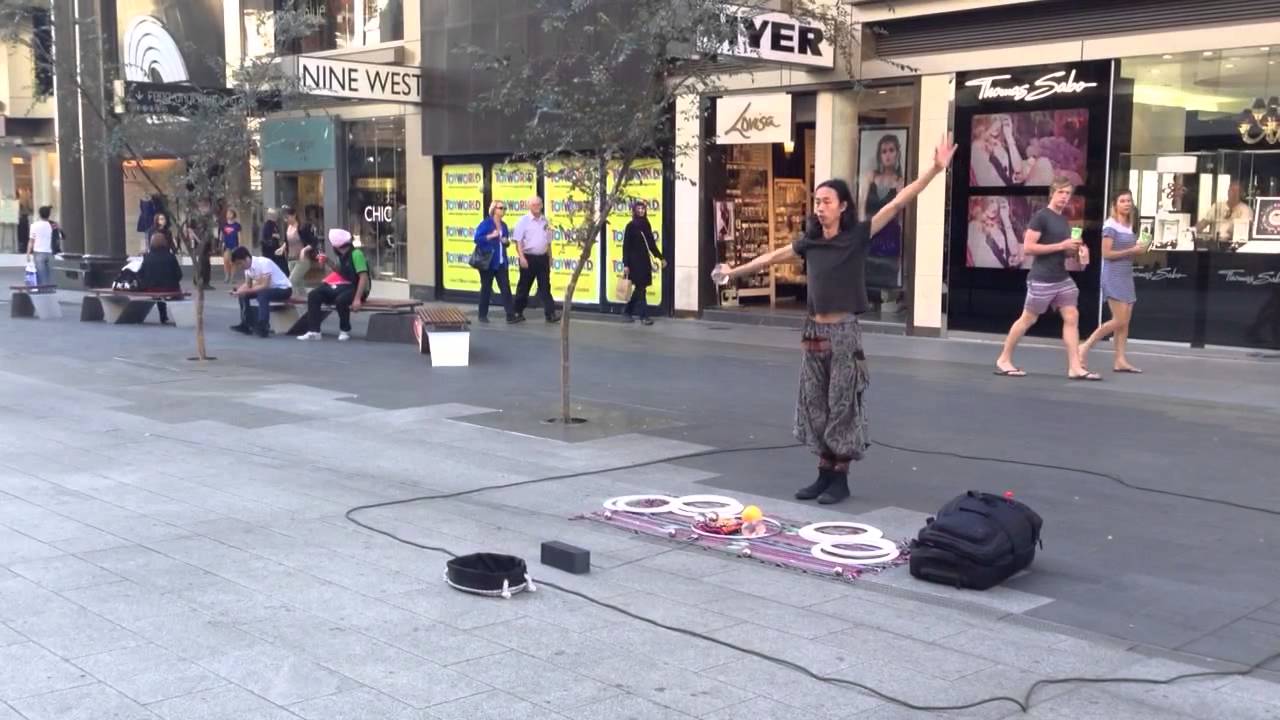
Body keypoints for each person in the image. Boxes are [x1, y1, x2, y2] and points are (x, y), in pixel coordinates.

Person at [714, 134, 956, 505]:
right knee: (816, 402)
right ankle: (823, 473)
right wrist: (734, 270)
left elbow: (898, 203)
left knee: (842, 402)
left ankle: (840, 477)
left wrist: (935, 170)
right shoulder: (810, 242)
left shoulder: (857, 236)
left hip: (843, 332)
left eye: (826, 201)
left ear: (843, 206)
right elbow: (772, 257)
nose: (819, 207)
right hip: (814, 331)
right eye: (817, 202)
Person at [994, 178, 1099, 380]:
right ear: (1052, 193)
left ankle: (1075, 366)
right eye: (1061, 192)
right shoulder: (1041, 217)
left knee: (1072, 317)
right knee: (1028, 319)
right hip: (1042, 278)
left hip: (1062, 278)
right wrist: (1061, 246)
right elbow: (1028, 248)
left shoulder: (1063, 221)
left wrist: (1079, 253)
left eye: (1068, 193)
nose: (1064, 197)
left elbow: (1066, 252)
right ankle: (1004, 359)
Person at [1080, 190, 1144, 373]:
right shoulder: (1110, 225)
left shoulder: (1130, 224)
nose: (1126, 204)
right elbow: (1106, 254)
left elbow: (1129, 250)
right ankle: (1084, 347)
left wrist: (1139, 249)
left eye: (1129, 201)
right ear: (1115, 204)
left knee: (1125, 322)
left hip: (1126, 275)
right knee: (1119, 319)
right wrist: (1132, 250)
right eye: (1122, 201)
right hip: (1112, 275)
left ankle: (1120, 360)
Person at [297, 228, 369, 342]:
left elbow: (363, 277)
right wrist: (328, 261)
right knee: (314, 295)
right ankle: (314, 331)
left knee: (341, 300)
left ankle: (344, 330)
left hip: (358, 288)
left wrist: (357, 299)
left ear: (336, 246)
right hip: (344, 285)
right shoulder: (342, 255)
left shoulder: (356, 254)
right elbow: (341, 271)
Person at [511, 196, 558, 323]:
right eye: (533, 205)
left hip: (542, 258)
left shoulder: (545, 221)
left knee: (545, 287)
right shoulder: (523, 221)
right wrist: (521, 257)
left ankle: (550, 314)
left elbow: (548, 242)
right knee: (524, 287)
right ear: (529, 206)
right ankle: (517, 312)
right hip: (528, 257)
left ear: (542, 205)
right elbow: (518, 241)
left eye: (538, 204)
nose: (536, 206)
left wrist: (550, 257)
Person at [229, 246, 293, 338]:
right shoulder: (247, 269)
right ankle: (246, 324)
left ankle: (263, 326)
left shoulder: (264, 263)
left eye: (240, 263)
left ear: (247, 259)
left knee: (262, 294)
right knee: (244, 295)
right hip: (269, 289)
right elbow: (248, 285)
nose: (240, 267)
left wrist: (246, 290)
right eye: (237, 264)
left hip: (283, 289)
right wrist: (238, 291)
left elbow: (264, 285)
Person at [859, 134, 905, 259]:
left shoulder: (900, 182)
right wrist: (862, 234)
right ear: (879, 155)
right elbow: (862, 206)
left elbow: (900, 217)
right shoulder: (870, 177)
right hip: (870, 235)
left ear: (897, 153)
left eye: (891, 150)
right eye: (884, 151)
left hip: (890, 238)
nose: (888, 155)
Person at [621, 200, 665, 325]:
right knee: (641, 289)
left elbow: (651, 243)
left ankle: (627, 311)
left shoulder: (646, 224)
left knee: (640, 288)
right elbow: (626, 247)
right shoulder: (630, 226)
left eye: (643, 209)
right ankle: (644, 316)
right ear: (634, 210)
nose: (641, 211)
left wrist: (660, 257)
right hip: (634, 263)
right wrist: (626, 264)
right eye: (638, 209)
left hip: (644, 261)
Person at [473, 200, 516, 324]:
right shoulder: (486, 224)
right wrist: (491, 236)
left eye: (504, 208)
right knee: (486, 288)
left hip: (501, 262)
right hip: (489, 262)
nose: (503, 210)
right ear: (494, 210)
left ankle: (510, 315)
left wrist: (506, 242)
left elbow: (506, 242)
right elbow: (477, 239)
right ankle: (482, 314)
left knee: (505, 288)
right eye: (501, 208)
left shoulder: (504, 225)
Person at [136, 232, 183, 325]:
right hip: (170, 288)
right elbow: (179, 274)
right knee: (163, 290)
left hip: (151, 288)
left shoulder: (147, 257)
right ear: (165, 242)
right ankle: (166, 316)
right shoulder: (171, 257)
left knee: (158, 291)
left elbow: (141, 274)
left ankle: (163, 315)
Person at [26, 206, 55, 286]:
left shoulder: (34, 225)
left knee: (40, 273)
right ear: (49, 215)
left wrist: (28, 254)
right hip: (50, 252)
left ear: (39, 214)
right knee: (50, 273)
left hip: (38, 252)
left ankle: (42, 288)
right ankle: (50, 287)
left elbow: (31, 241)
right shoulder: (52, 225)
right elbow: (59, 236)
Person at [260, 208, 287, 275]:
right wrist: (275, 235)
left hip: (272, 249)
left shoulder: (273, 224)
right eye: (275, 215)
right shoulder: (269, 224)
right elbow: (267, 236)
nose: (276, 216)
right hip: (271, 249)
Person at [220, 208, 242, 283]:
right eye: (227, 213)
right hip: (227, 245)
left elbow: (239, 235)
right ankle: (227, 275)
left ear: (233, 215)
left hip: (235, 245)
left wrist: (239, 244)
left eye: (230, 213)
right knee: (226, 260)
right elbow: (222, 235)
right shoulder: (224, 225)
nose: (228, 215)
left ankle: (232, 277)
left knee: (233, 262)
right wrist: (221, 243)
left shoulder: (237, 225)